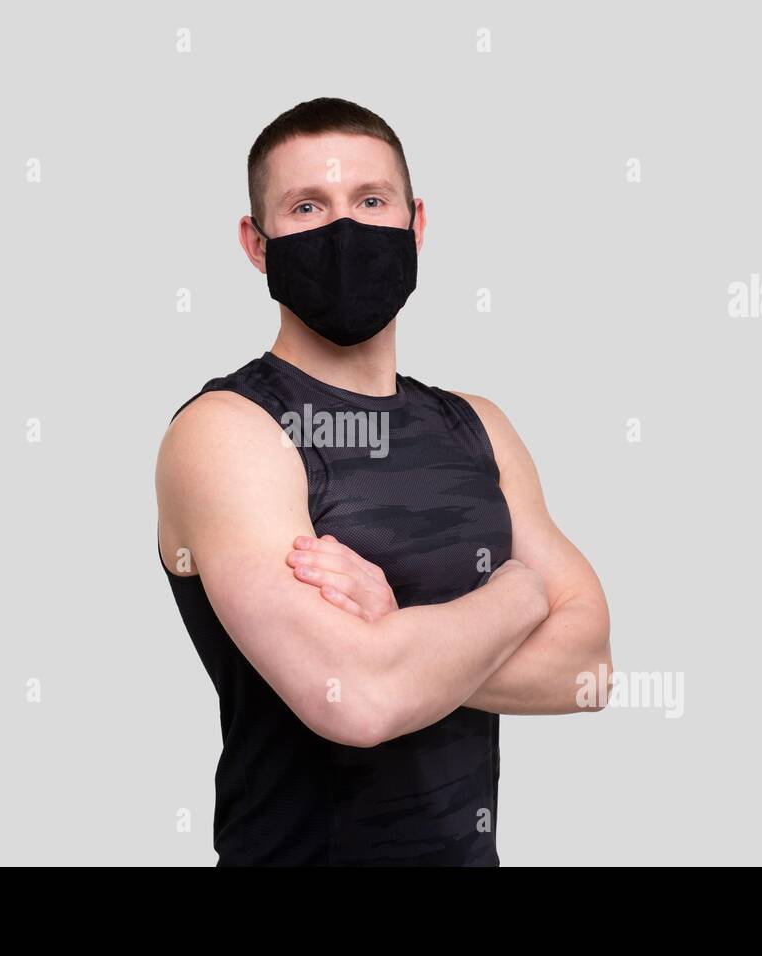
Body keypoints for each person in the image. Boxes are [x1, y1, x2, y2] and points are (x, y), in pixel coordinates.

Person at [155, 97, 612, 866]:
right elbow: (357, 698)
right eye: (307, 207)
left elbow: (589, 672)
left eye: (371, 201)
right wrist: (520, 594)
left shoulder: (478, 425)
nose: (345, 231)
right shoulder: (227, 431)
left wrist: (398, 632)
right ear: (256, 244)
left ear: (416, 224)